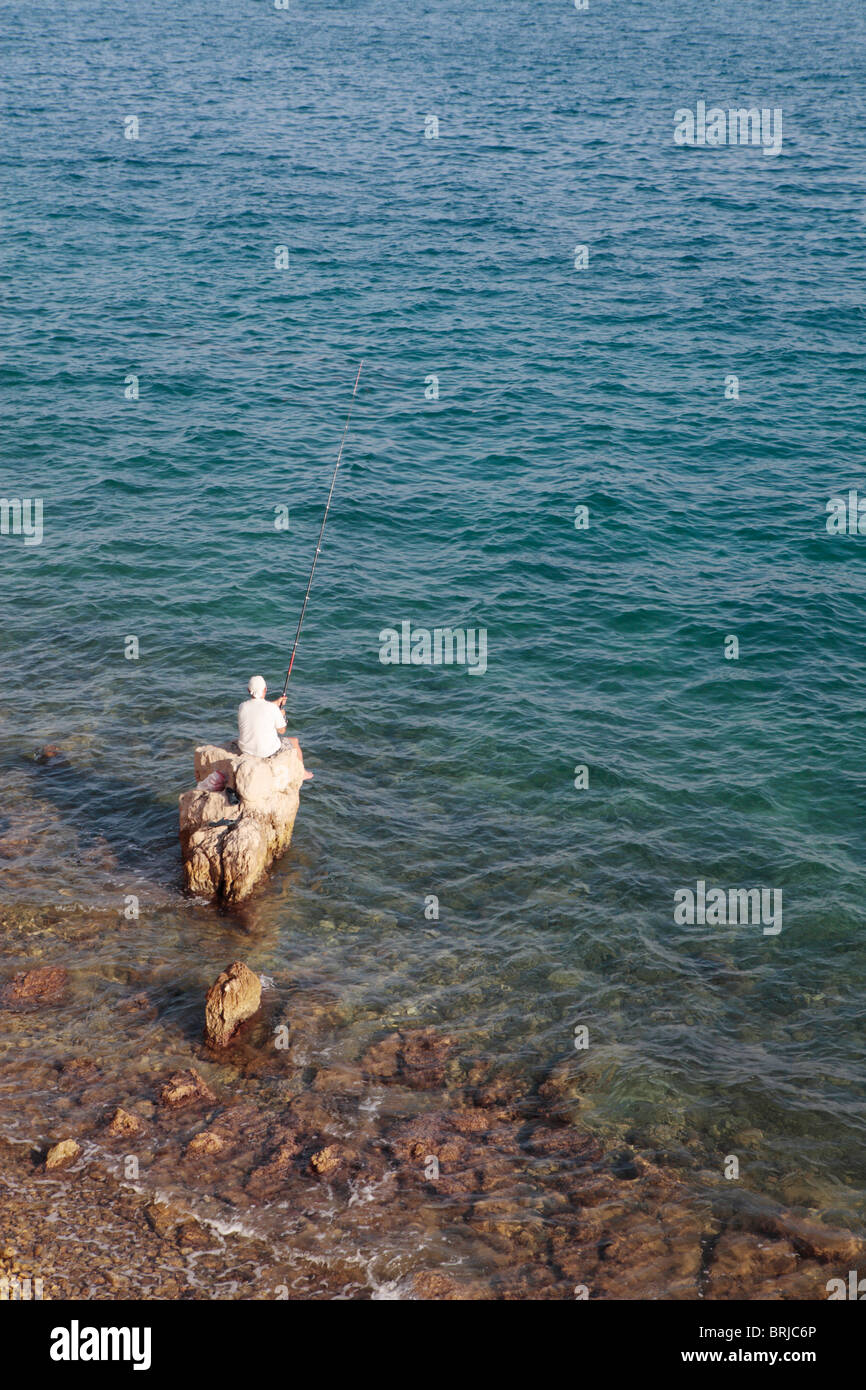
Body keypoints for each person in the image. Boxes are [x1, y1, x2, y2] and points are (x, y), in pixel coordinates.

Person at [237, 676, 313, 779]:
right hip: (267, 752)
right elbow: (282, 730)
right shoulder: (272, 708)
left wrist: (277, 703)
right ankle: (302, 772)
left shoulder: (242, 706)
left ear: (248, 690)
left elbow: (259, 708)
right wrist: (282, 715)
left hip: (246, 750)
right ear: (265, 689)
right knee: (294, 741)